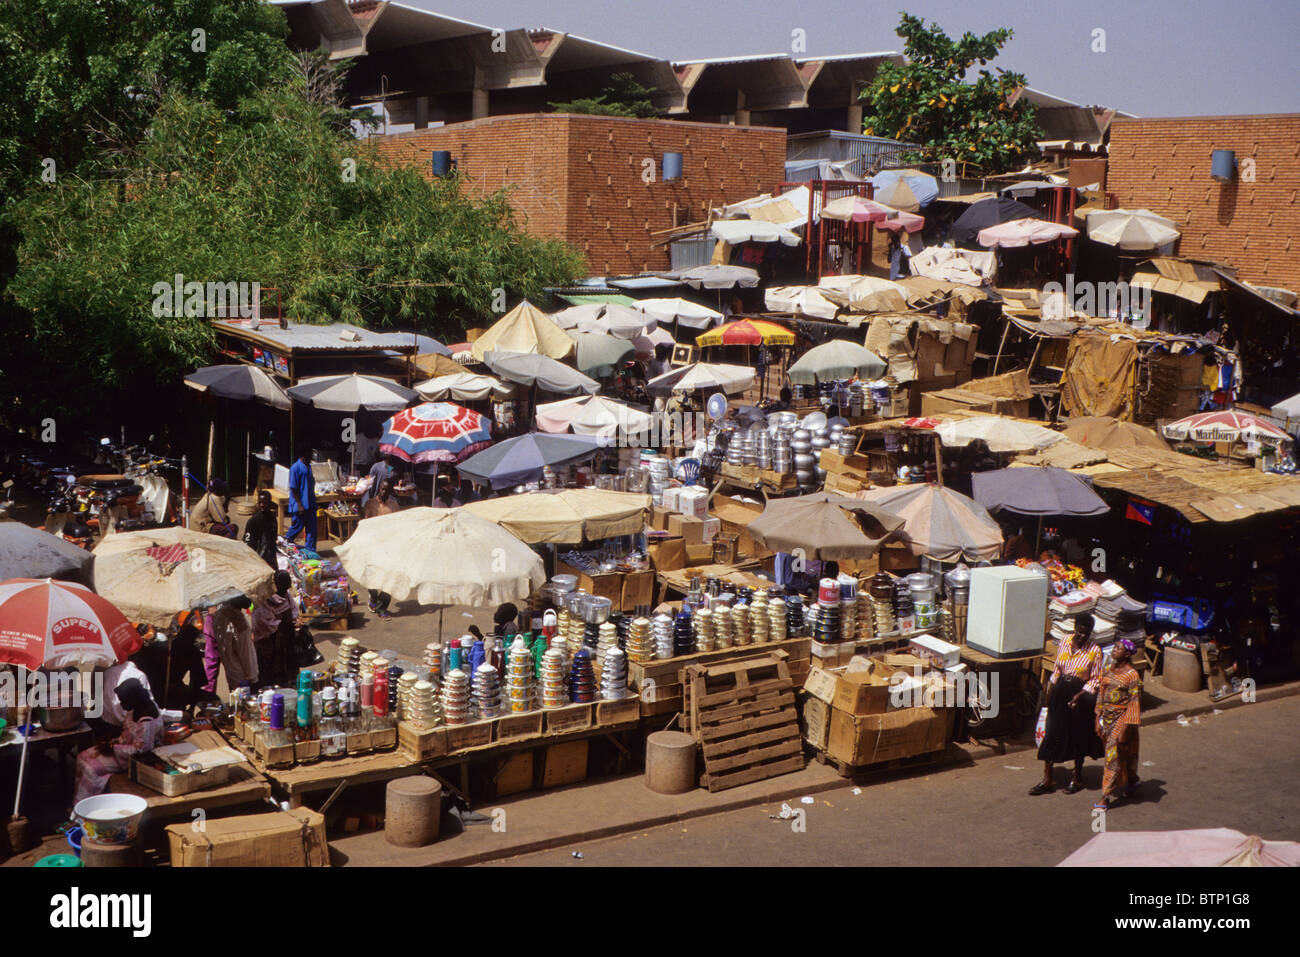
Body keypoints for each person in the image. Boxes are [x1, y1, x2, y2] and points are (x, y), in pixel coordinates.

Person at [1030, 613, 1104, 795]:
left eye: (1086, 634)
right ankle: (1047, 779)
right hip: (1060, 692)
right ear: (1075, 628)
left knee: (1077, 736)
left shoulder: (1095, 650)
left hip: (1080, 697)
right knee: (1052, 732)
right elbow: (1057, 668)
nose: (1082, 636)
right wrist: (1050, 689)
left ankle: (1077, 778)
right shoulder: (1064, 641)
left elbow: (1096, 679)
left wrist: (1079, 695)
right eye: (1079, 632)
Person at [73, 679, 164, 804]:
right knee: (82, 756)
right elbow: (126, 734)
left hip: (133, 760)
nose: (120, 704)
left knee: (90, 768)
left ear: (133, 698)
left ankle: (88, 803)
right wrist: (113, 742)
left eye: (122, 700)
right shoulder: (136, 708)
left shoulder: (146, 721)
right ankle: (79, 801)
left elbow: (141, 750)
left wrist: (113, 748)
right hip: (121, 749)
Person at [1094, 638, 1143, 809]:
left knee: (1112, 757)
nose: (1114, 650)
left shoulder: (1132, 675)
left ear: (1127, 653)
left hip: (1123, 719)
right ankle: (1132, 779)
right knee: (1124, 754)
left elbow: (1134, 701)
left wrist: (1127, 727)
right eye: (1114, 647)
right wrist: (1097, 718)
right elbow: (1101, 693)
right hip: (1106, 717)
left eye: (1118, 648)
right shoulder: (1108, 669)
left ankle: (1105, 796)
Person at [363, 476, 402, 621]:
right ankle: (373, 598)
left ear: (391, 491)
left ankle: (381, 608)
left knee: (390, 579)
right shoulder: (370, 504)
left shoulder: (394, 506)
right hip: (372, 546)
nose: (384, 492)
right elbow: (364, 525)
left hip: (389, 547)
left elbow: (398, 526)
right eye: (382, 488)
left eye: (387, 489)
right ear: (379, 488)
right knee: (369, 578)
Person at [202, 599, 259, 694]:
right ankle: (209, 696)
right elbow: (246, 655)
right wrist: (253, 679)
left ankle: (208, 696)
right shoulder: (237, 622)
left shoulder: (220, 616)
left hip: (234, 678)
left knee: (217, 662)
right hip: (242, 680)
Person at [252, 570, 297, 689]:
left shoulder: (285, 596)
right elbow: (264, 623)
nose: (285, 589)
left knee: (284, 665)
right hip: (268, 642)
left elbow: (293, 610)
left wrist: (293, 621)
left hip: (284, 640)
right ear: (276, 585)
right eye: (283, 586)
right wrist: (281, 624)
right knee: (269, 669)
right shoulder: (265, 602)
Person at [286, 442, 317, 552]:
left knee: (312, 531)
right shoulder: (295, 468)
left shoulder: (308, 467)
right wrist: (299, 505)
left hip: (311, 504)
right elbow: (293, 488)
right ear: (304, 454)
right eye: (310, 454)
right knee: (296, 528)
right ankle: (284, 545)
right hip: (300, 505)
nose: (311, 457)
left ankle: (311, 552)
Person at [242, 489, 279, 569]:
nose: (262, 505)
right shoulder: (253, 521)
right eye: (260, 502)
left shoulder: (272, 519)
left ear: (269, 503)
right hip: (256, 557)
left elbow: (273, 539)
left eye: (265, 503)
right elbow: (247, 543)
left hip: (270, 556)